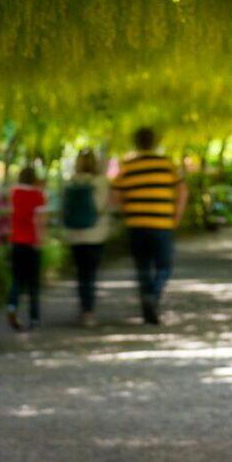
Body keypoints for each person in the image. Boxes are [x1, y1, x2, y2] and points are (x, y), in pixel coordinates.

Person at [111, 127, 186, 325]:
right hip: (162, 223)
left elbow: (115, 196)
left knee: (142, 266)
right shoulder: (166, 164)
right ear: (154, 142)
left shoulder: (127, 166)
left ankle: (148, 303)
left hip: (136, 224)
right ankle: (153, 294)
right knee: (164, 266)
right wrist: (176, 216)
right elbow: (182, 190)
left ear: (136, 143)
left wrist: (127, 211)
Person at [62, 149, 112, 326]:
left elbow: (64, 209)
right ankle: (88, 311)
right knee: (90, 274)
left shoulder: (71, 182)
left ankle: (85, 309)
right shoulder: (100, 182)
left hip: (75, 235)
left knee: (81, 273)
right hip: (96, 235)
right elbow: (102, 206)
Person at [6, 166, 48, 331]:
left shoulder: (14, 193)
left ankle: (11, 306)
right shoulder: (38, 195)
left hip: (16, 241)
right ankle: (34, 317)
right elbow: (40, 221)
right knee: (33, 282)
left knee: (17, 278)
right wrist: (41, 239)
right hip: (32, 243)